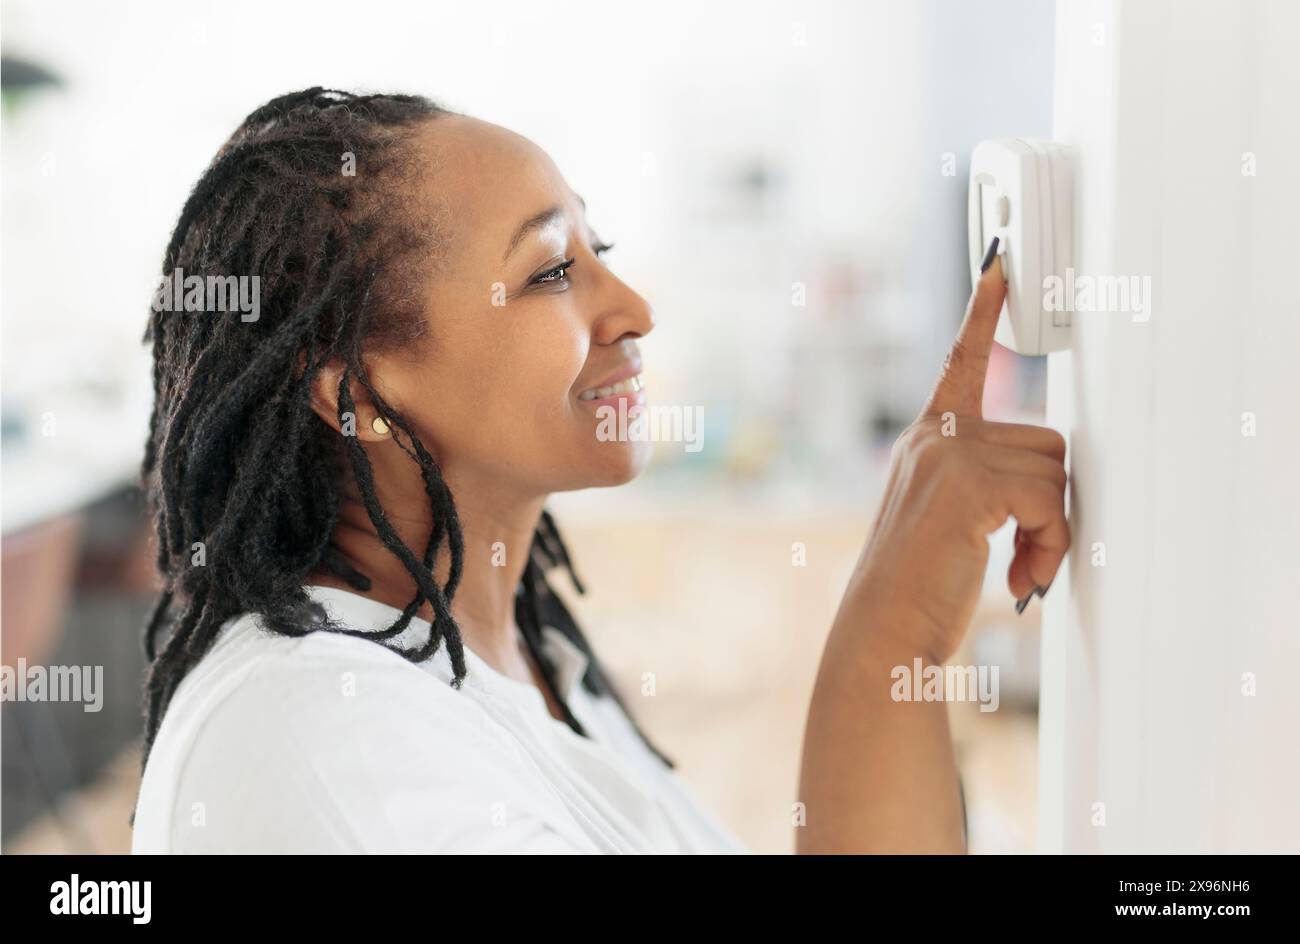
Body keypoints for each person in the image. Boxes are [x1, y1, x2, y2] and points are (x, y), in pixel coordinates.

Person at [131, 89, 1068, 854]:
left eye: (599, 252)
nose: (633, 308)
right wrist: (889, 632)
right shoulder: (329, 745)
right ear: (356, 391)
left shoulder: (523, 665)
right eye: (548, 272)